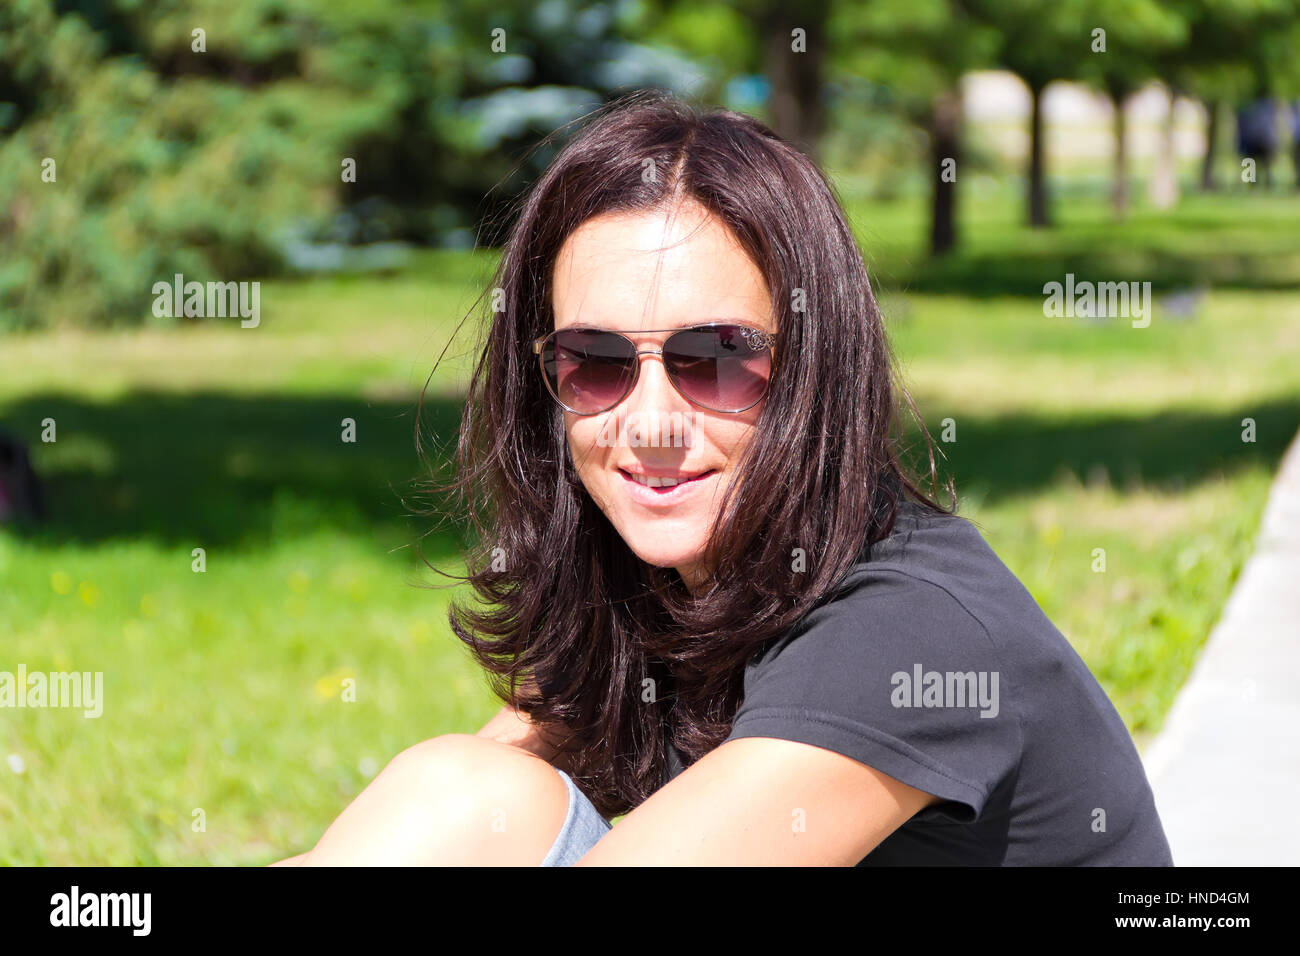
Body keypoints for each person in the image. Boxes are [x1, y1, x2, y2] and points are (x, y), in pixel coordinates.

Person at [274, 91, 1173, 866]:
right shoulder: (656, 590)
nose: (652, 422)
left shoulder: (906, 635)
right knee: (461, 799)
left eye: (716, 359)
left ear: (814, 367)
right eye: (596, 362)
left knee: (466, 795)